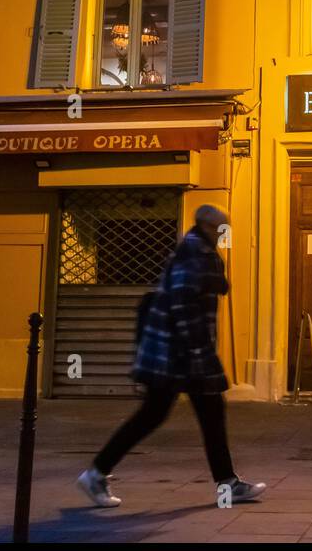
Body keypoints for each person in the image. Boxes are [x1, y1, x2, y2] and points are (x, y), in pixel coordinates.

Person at [77, 204, 266, 508]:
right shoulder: (194, 255)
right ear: (207, 227)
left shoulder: (196, 252)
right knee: (177, 414)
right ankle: (97, 473)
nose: (223, 234)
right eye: (221, 229)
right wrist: (198, 350)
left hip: (175, 352)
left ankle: (227, 484)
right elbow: (183, 305)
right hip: (178, 354)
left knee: (186, 413)